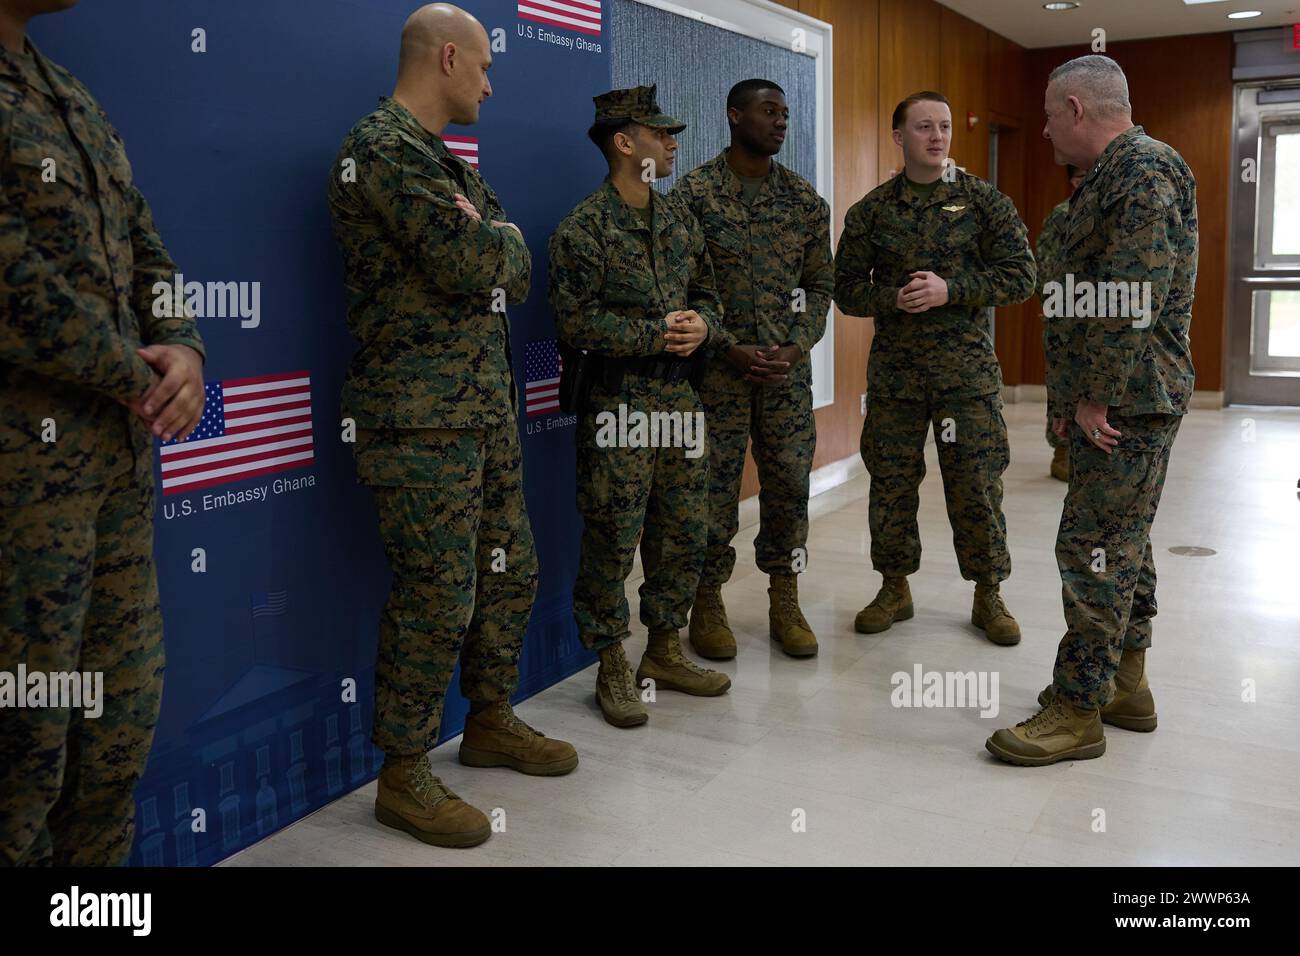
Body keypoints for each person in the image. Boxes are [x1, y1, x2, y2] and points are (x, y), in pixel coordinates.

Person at [326, 3, 576, 848]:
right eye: (483, 67)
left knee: (510, 572)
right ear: (445, 58)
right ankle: (403, 772)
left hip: (480, 408)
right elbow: (478, 261)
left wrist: (494, 238)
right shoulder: (384, 151)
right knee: (437, 596)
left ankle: (491, 718)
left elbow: (509, 262)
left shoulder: (447, 166)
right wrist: (495, 241)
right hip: (418, 416)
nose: (490, 84)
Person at [1, 0, 206, 865]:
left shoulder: (68, 94)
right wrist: (138, 375)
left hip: (113, 474)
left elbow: (146, 244)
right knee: (20, 760)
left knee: (113, 738)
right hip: (22, 491)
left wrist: (186, 348)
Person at [986, 54, 1197, 766]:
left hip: (1127, 402)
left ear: (1076, 110)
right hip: (1119, 398)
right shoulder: (1109, 180)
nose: (1045, 133)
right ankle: (1125, 685)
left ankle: (1078, 708)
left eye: (1049, 117)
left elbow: (1134, 292)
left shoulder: (1140, 172)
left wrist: (1097, 393)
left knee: (1092, 553)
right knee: (1121, 545)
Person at [548, 84, 730, 729]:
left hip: (680, 400)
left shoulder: (680, 217)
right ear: (626, 143)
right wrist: (656, 334)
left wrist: (703, 326)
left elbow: (709, 292)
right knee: (613, 536)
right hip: (617, 404)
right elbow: (573, 322)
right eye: (661, 133)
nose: (673, 142)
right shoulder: (583, 228)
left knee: (684, 529)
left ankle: (663, 650)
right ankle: (611, 663)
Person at [833, 91, 1035, 646]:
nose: (937, 136)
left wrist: (954, 290)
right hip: (896, 378)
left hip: (965, 377)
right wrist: (891, 299)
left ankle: (988, 593)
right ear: (899, 137)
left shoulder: (984, 202)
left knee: (975, 486)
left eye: (944, 125)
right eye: (924, 127)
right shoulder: (872, 211)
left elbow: (1021, 276)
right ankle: (893, 587)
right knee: (891, 485)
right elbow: (845, 290)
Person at [672, 78, 832, 661]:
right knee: (711, 491)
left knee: (789, 486)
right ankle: (707, 600)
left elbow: (820, 285)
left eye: (786, 113)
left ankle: (785, 597)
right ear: (735, 116)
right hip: (716, 375)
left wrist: (795, 344)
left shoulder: (805, 201)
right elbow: (681, 285)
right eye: (769, 111)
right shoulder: (693, 195)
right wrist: (724, 344)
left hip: (785, 377)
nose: (781, 122)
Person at [1038, 163, 1086, 482]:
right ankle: (1063, 449)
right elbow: (1044, 264)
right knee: (1063, 385)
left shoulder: (1117, 211)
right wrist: (1053, 303)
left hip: (1104, 316)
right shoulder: (1063, 215)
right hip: (1067, 318)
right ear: (1073, 181)